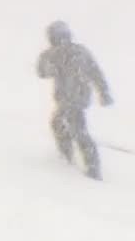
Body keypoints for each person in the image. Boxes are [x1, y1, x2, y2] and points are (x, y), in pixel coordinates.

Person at [36, 20, 112, 179]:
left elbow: (94, 72)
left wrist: (104, 92)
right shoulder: (63, 53)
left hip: (74, 97)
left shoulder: (70, 53)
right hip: (70, 97)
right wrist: (104, 92)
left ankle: (85, 165)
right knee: (64, 125)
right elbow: (42, 71)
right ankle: (71, 158)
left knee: (73, 128)